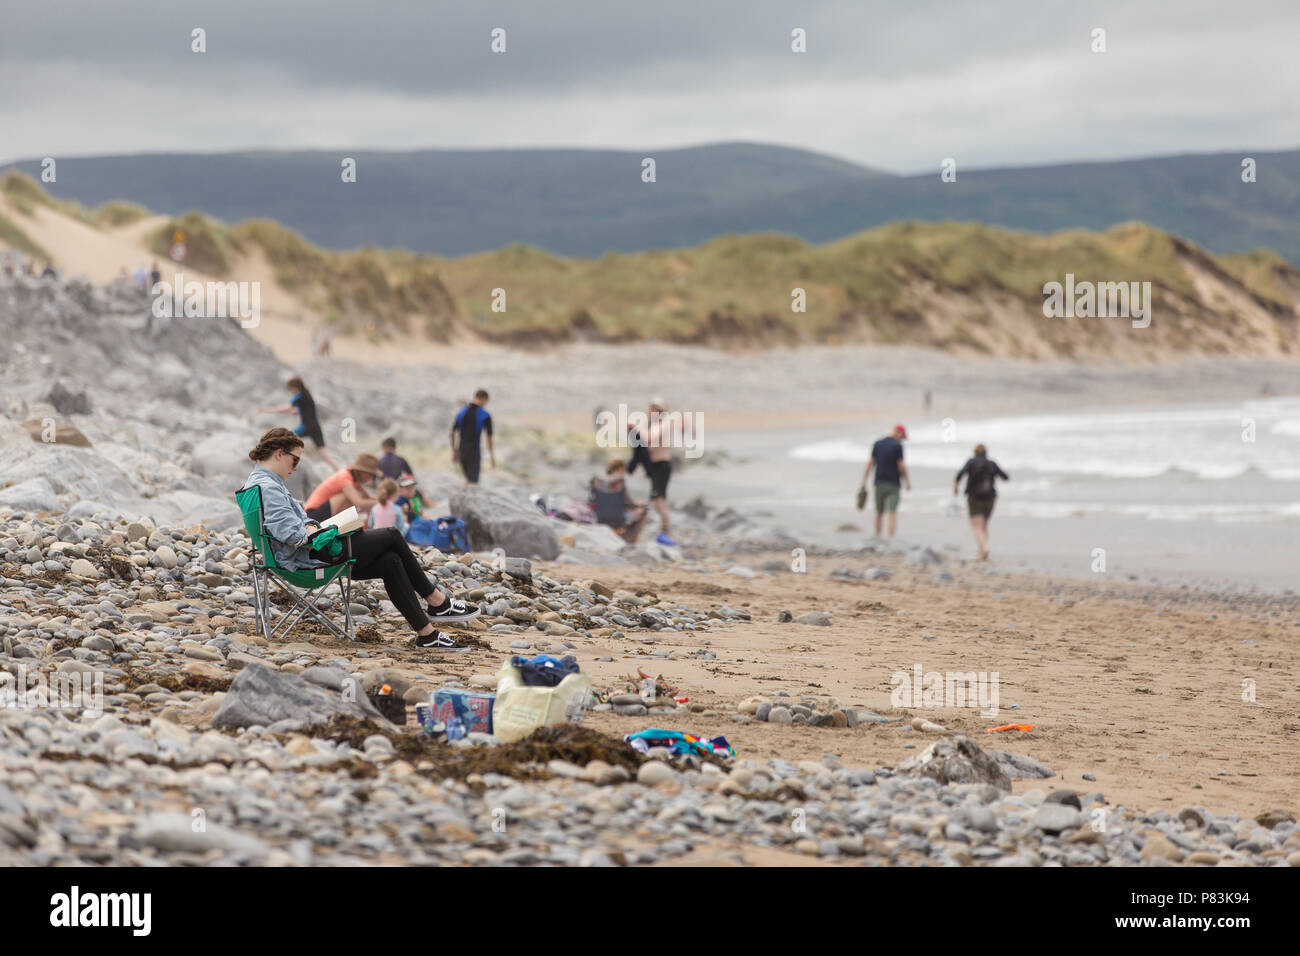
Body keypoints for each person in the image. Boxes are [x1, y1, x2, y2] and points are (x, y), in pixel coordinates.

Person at [243, 428, 478, 648]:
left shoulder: (263, 483)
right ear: (279, 454)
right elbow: (293, 535)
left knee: (391, 561)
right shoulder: (269, 487)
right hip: (309, 557)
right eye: (295, 460)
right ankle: (438, 602)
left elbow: (296, 524)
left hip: (308, 552)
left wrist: (314, 526)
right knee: (392, 534)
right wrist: (317, 530)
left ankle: (427, 635)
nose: (295, 467)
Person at [257, 376, 342, 471]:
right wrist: (295, 412)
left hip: (307, 427)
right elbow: (305, 410)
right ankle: (340, 469)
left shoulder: (299, 396)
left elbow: (287, 407)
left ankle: (276, 464)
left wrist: (267, 410)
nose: (290, 392)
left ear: (294, 387)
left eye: (290, 389)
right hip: (316, 427)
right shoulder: (308, 396)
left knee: (285, 439)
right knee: (324, 453)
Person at [954, 443, 1009, 560]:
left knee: (976, 526)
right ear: (986, 452)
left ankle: (984, 548)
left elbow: (960, 474)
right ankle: (981, 551)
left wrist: (956, 486)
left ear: (975, 452)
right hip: (990, 497)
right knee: (984, 525)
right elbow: (1005, 477)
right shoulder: (992, 463)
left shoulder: (971, 462)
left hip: (974, 497)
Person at [859, 424, 911, 539]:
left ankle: (878, 537)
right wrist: (907, 482)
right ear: (898, 433)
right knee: (892, 512)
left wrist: (864, 481)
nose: (902, 440)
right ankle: (891, 539)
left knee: (879, 513)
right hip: (894, 484)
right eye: (902, 437)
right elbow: (901, 465)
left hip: (879, 482)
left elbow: (870, 463)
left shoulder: (878, 443)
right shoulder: (898, 446)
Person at [304, 452, 380, 522]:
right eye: (370, 474)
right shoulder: (344, 477)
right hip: (312, 514)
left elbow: (368, 498)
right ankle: (339, 524)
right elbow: (359, 502)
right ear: (362, 471)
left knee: (357, 497)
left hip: (321, 511)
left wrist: (382, 500)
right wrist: (380, 502)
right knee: (347, 497)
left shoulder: (355, 479)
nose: (371, 478)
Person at [589, 459, 649, 544]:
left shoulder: (596, 482)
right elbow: (629, 504)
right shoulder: (619, 483)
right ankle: (629, 538)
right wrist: (641, 505)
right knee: (644, 511)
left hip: (599, 518)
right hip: (618, 520)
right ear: (620, 469)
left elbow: (591, 502)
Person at [450, 389, 495, 485]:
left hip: (461, 451)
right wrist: (492, 456)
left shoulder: (461, 412)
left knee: (468, 479)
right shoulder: (485, 415)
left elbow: (452, 433)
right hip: (474, 452)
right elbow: (489, 437)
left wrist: (454, 451)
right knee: (473, 482)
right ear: (484, 399)